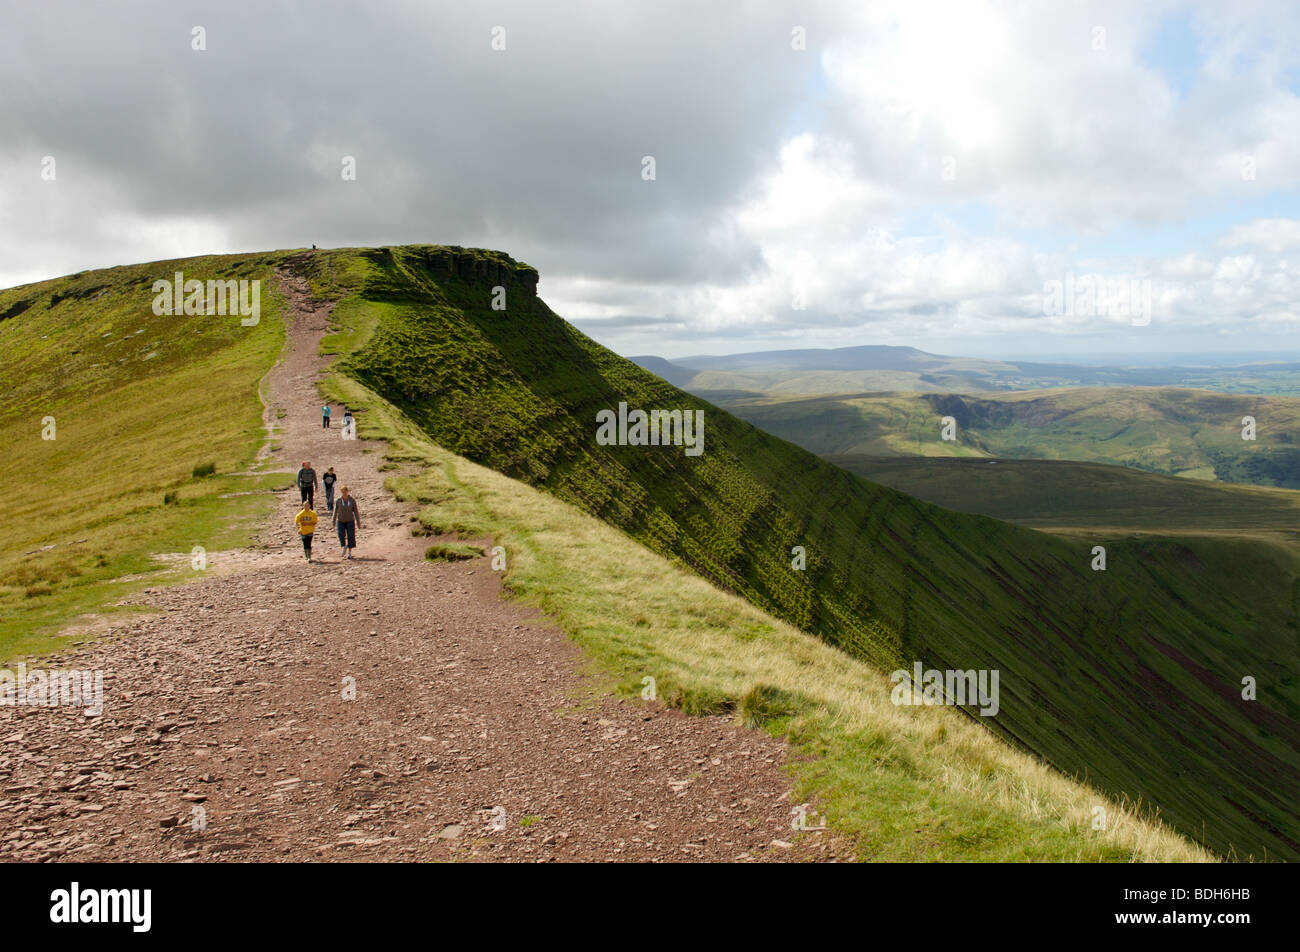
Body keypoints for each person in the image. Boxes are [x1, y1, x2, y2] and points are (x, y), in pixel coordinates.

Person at [333, 486, 361, 559]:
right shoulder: (338, 501)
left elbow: (356, 511)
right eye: (342, 492)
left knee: (351, 536)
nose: (344, 493)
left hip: (350, 521)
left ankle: (349, 552)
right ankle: (344, 545)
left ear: (347, 492)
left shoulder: (352, 500)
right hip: (340, 521)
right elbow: (335, 511)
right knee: (341, 534)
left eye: (345, 492)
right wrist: (333, 521)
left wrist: (358, 522)